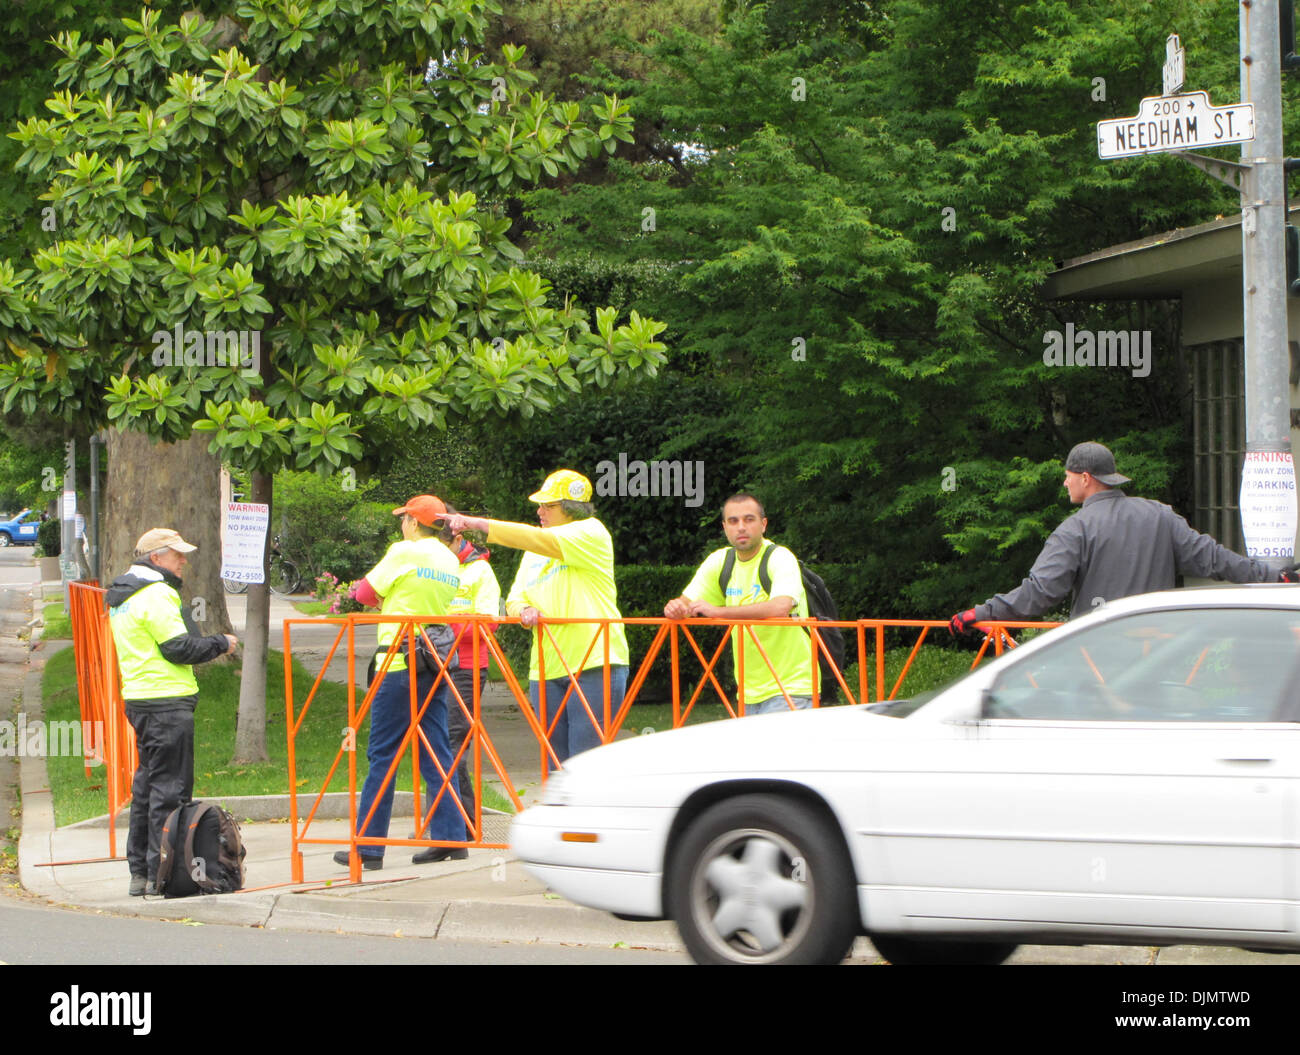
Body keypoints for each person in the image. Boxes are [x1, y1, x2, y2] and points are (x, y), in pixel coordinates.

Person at [950, 441, 1291, 633]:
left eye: (1068, 477)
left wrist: (981, 612)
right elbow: (1216, 561)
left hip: (1097, 657)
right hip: (1159, 653)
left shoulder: (1076, 529)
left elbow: (1040, 593)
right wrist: (1277, 577)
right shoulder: (1160, 514)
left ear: (1086, 478)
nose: (1064, 483)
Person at [443, 470, 628, 764]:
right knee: (555, 765)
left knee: (585, 764)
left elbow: (534, 538)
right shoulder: (535, 551)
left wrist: (478, 523)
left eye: (548, 505)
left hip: (594, 660)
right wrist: (524, 610)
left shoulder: (592, 532)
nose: (539, 511)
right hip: (546, 666)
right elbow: (516, 598)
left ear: (572, 507)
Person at [333, 495, 468, 870]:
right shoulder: (447, 556)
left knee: (383, 755)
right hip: (436, 660)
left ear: (412, 521)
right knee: (437, 750)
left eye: (403, 519)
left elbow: (362, 593)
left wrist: (388, 598)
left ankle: (370, 847)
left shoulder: (403, 552)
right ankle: (452, 837)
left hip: (399, 661)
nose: (401, 525)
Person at [106, 528, 237, 897]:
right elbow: (178, 648)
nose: (184, 561)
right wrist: (219, 643)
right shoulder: (158, 594)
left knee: (147, 787)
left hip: (140, 700)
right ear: (156, 558)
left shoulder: (123, 596)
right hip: (167, 703)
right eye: (177, 555)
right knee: (170, 790)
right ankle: (160, 875)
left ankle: (140, 871)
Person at [664, 493, 815, 714]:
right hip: (748, 691)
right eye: (733, 521)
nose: (741, 527)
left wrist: (718, 611)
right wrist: (675, 609)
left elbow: (781, 606)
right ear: (725, 527)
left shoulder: (780, 557)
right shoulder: (720, 561)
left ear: (763, 525)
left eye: (749, 519)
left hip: (792, 686)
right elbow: (686, 603)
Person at [442, 506, 501, 824]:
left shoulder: (480, 571)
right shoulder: (437, 567)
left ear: (458, 538)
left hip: (465, 667)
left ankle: (460, 823)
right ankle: (448, 823)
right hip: (434, 664)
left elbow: (488, 624)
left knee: (452, 743)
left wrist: (439, 626)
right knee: (436, 743)